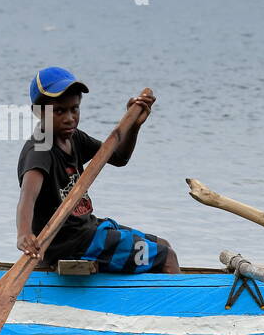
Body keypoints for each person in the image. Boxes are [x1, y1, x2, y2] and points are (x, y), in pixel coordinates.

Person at [15, 66, 180, 273]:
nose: (69, 118)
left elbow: (119, 158)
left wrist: (134, 126)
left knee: (164, 245)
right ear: (38, 112)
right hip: (69, 244)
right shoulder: (40, 149)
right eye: (59, 111)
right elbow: (27, 197)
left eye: (74, 109)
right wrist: (24, 234)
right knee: (167, 258)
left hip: (89, 231)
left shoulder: (74, 138)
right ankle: (179, 305)